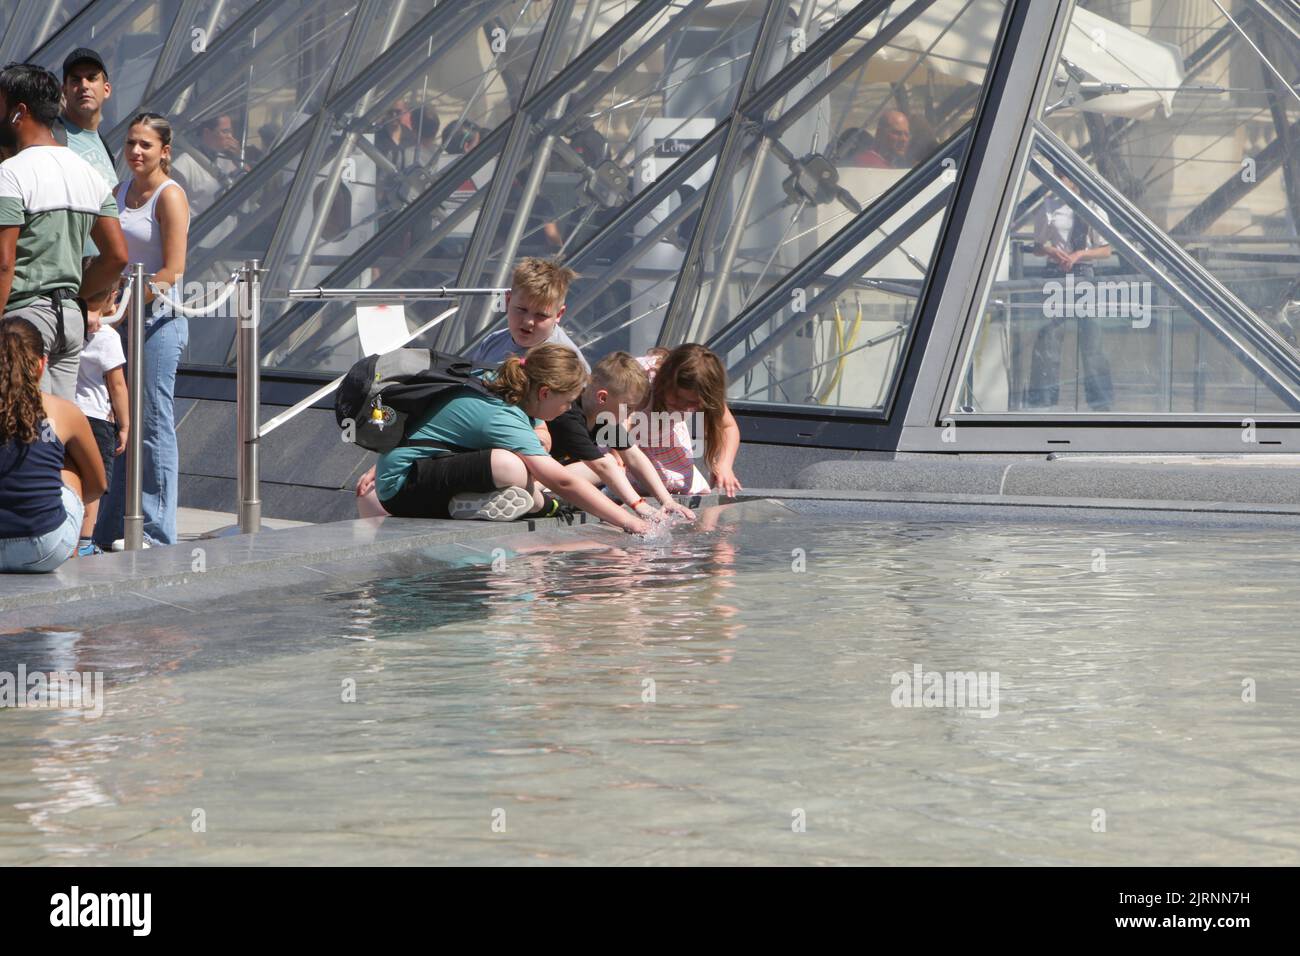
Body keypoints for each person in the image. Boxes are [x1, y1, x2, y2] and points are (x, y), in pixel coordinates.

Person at [373, 343, 649, 534]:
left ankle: (478, 503)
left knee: (523, 473)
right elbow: (562, 480)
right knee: (512, 467)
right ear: (544, 393)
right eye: (566, 402)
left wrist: (540, 427)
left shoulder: (501, 381)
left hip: (423, 470)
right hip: (400, 488)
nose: (567, 409)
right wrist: (628, 522)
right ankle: (535, 505)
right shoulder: (503, 416)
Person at [0, 62, 128, 400]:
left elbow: (3, 263)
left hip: (22, 320)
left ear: (18, 112)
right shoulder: (88, 174)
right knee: (59, 426)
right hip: (69, 322)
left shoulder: (10, 174)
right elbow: (117, 256)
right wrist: (75, 297)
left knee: (21, 427)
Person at [95, 112, 190, 549]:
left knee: (152, 424)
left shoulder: (169, 197)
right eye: (131, 143)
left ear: (164, 151)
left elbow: (173, 269)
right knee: (120, 422)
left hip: (157, 321)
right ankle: (113, 526)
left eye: (145, 145)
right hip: (120, 320)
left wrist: (131, 300)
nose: (135, 151)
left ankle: (155, 531)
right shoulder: (119, 192)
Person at [0, 317, 106, 573]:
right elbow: (97, 485)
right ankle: (79, 545)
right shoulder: (63, 411)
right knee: (68, 460)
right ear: (41, 365)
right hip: (45, 547)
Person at [548, 350, 695, 521]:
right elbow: (602, 466)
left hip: (558, 476)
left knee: (614, 464)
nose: (630, 415)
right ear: (602, 398)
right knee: (609, 462)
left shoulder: (602, 418)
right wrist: (639, 506)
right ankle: (537, 494)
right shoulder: (569, 415)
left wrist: (667, 501)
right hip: (537, 474)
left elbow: (633, 456)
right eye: (629, 408)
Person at [1026, 164, 1114, 411]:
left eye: (1063, 175)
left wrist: (1079, 255)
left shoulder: (1092, 207)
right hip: (1056, 273)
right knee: (1050, 341)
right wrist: (1051, 251)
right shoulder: (1048, 206)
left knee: (1092, 342)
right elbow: (1037, 245)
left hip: (1084, 274)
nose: (1060, 180)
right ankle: (1044, 400)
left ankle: (1100, 402)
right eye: (1057, 175)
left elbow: (1106, 250)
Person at [634, 344, 742, 498]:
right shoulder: (638, 379)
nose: (682, 406)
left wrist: (724, 464)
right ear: (665, 381)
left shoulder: (702, 387)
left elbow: (728, 427)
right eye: (678, 398)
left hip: (666, 448)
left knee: (690, 492)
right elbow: (613, 432)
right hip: (625, 447)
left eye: (693, 403)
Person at [469, 257, 589, 372]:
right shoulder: (493, 342)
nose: (528, 322)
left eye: (541, 315)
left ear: (558, 314)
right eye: (521, 309)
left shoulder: (568, 365)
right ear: (508, 301)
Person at [55, 48, 117, 260]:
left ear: (106, 89)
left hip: (101, 270)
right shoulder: (53, 137)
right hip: (69, 271)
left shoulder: (105, 145)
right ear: (65, 90)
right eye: (75, 80)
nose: (84, 86)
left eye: (92, 78)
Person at [73, 324, 127, 556]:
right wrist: (124, 424)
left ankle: (69, 536)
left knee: (71, 475)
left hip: (67, 410)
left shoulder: (67, 324)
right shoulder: (108, 336)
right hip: (97, 418)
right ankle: (85, 541)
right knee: (94, 482)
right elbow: (117, 385)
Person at [170, 113, 242, 217]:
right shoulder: (184, 164)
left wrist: (238, 158)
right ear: (207, 133)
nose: (230, 137)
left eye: (230, 131)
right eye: (225, 132)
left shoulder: (228, 160)